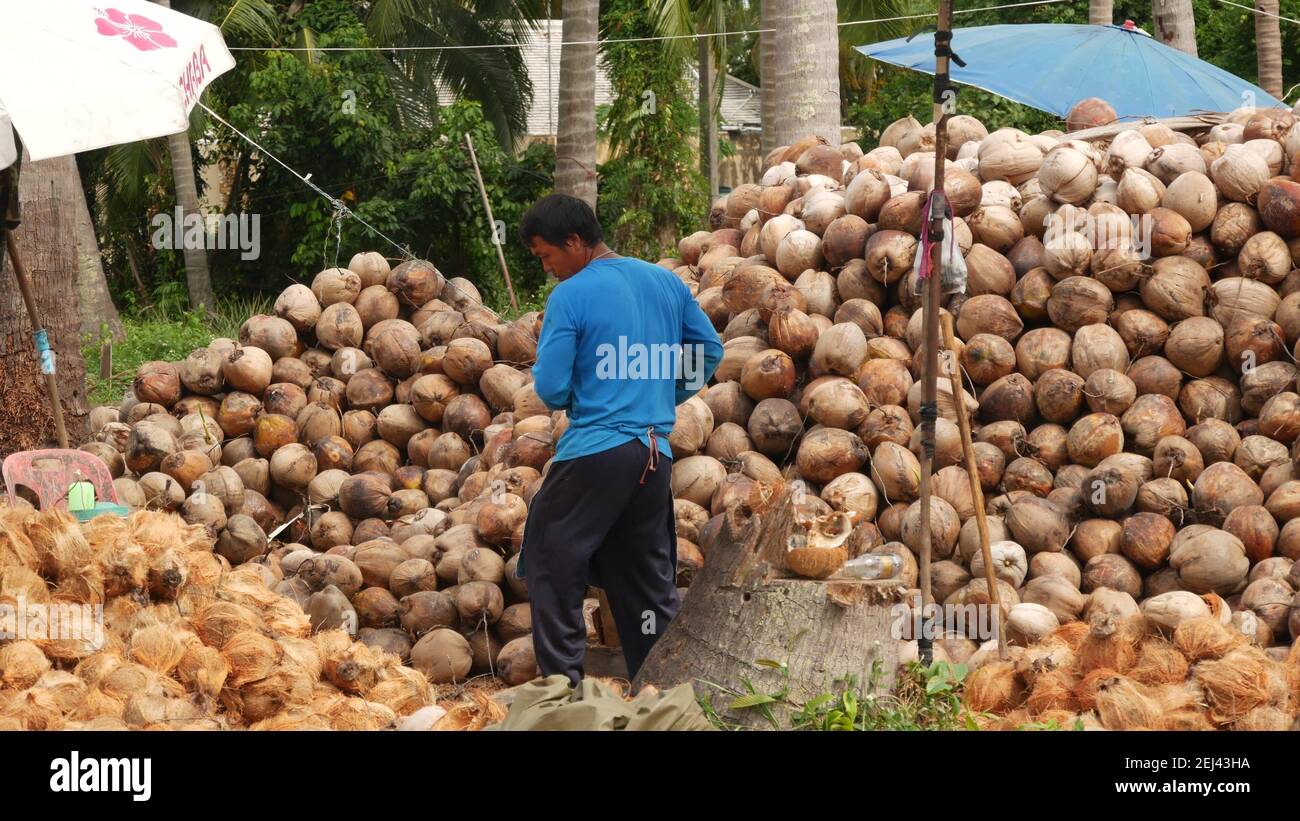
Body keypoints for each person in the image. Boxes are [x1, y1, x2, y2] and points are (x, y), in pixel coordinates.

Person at [517, 193, 723, 686]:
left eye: (547, 256)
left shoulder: (571, 294)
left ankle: (562, 694)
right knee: (645, 584)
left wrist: (582, 395)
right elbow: (709, 350)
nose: (547, 269)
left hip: (596, 454)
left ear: (574, 241)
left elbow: (548, 387)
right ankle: (660, 696)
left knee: (549, 558)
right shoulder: (664, 281)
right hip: (654, 456)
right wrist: (663, 390)